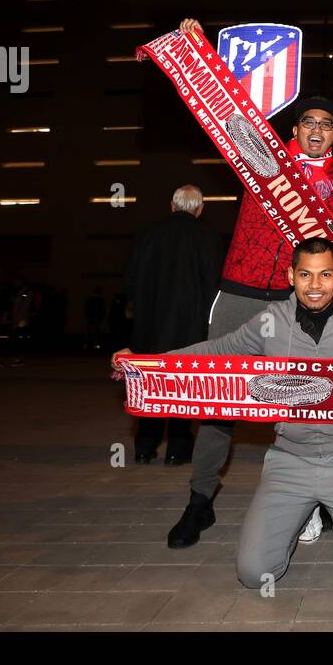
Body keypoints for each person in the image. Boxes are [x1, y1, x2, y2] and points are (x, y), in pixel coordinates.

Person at [114, 239, 333, 589]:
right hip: (289, 461)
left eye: (325, 274)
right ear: (291, 277)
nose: (315, 285)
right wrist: (149, 363)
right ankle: (301, 512)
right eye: (305, 274)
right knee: (254, 574)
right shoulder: (269, 322)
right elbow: (216, 350)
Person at [166, 16, 333, 549]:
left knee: (301, 402)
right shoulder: (263, 160)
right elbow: (220, 109)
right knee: (217, 399)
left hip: (293, 301)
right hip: (237, 291)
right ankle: (199, 501)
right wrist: (198, 47)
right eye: (307, 122)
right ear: (294, 130)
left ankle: (308, 503)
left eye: (326, 123)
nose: (316, 129)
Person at [123, 185, 224, 464]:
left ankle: (144, 447)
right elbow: (215, 289)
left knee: (151, 387)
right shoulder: (209, 238)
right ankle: (178, 450)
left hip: (149, 330)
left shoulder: (146, 236)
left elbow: (128, 285)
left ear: (172, 205)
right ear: (200, 209)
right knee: (184, 389)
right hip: (190, 332)